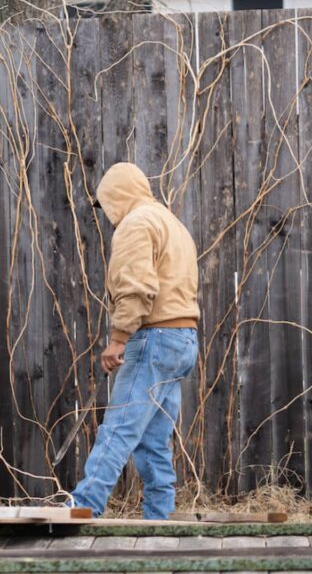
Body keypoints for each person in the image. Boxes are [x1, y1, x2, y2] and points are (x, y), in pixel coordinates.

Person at [70, 162, 200, 519]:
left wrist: (118, 338)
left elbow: (137, 287)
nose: (107, 212)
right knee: (153, 439)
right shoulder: (171, 222)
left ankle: (83, 508)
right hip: (183, 338)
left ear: (116, 195)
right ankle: (159, 518)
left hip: (154, 338)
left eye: (106, 202)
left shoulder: (135, 224)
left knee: (118, 429)